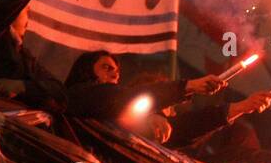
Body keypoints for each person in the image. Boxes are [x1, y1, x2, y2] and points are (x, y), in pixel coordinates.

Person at [62, 49, 222, 119]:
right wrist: (188, 86)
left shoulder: (112, 114)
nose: (115, 74)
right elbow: (125, 97)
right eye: (106, 67)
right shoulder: (79, 95)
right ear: (85, 69)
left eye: (117, 71)